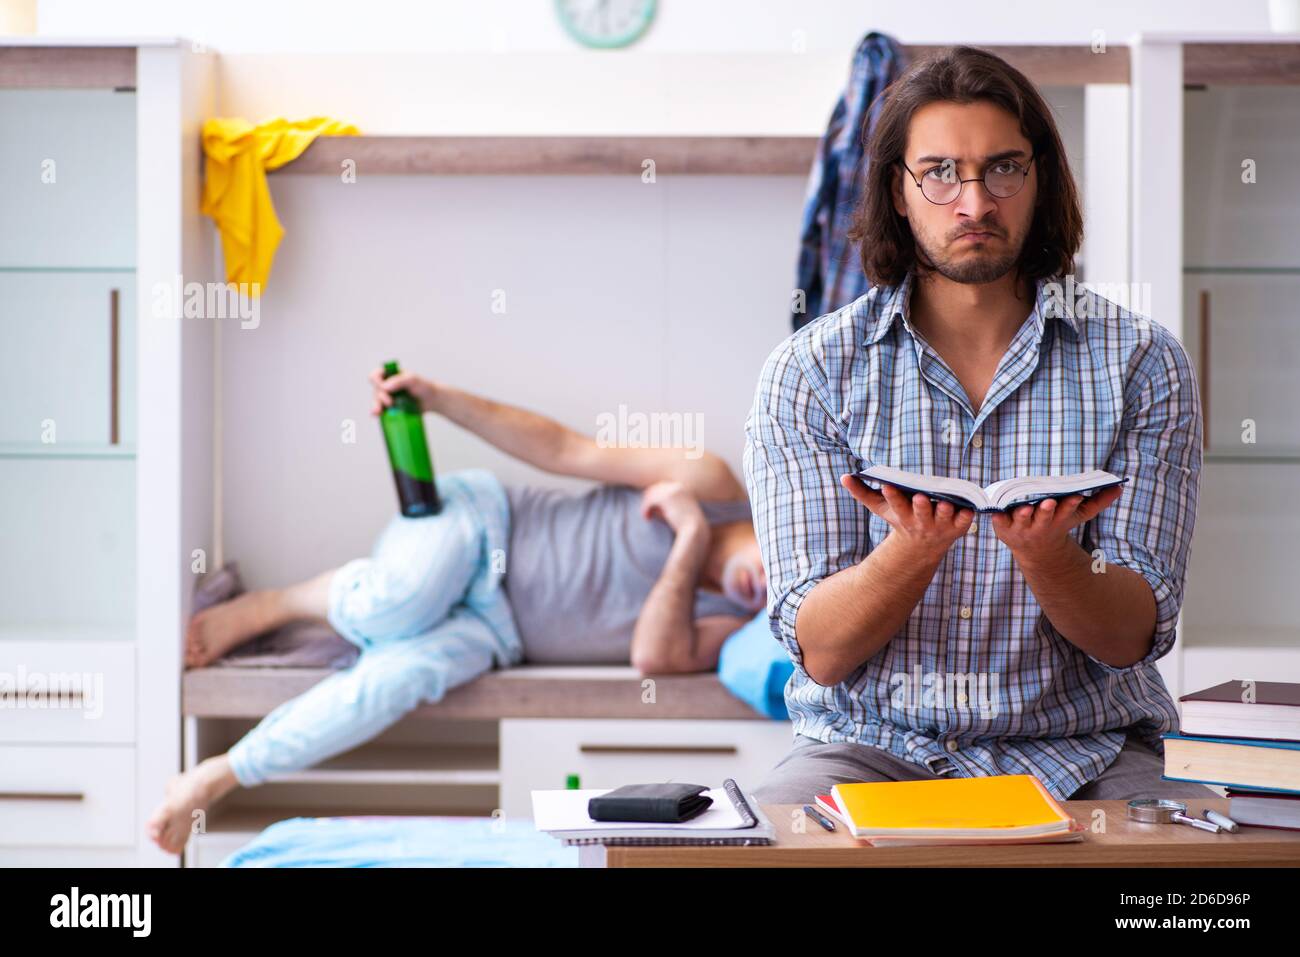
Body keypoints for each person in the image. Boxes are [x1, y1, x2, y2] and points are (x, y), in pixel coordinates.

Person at [743, 45, 1214, 805]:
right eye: (939, 173)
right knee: (769, 845)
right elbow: (822, 650)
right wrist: (913, 550)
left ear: (1039, 180)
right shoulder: (808, 372)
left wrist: (1049, 557)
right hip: (869, 747)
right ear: (898, 190)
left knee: (1200, 889)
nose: (973, 203)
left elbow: (1131, 635)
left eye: (1003, 168)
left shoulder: (1141, 361)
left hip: (1088, 751)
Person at [147, 369, 766, 853]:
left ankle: (220, 773)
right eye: (783, 562)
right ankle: (279, 603)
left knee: (392, 680)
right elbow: (560, 448)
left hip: (497, 633)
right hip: (484, 525)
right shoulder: (707, 480)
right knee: (395, 605)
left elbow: (652, 656)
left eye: (784, 592)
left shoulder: (736, 624)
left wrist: (687, 542)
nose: (770, 588)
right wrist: (441, 399)